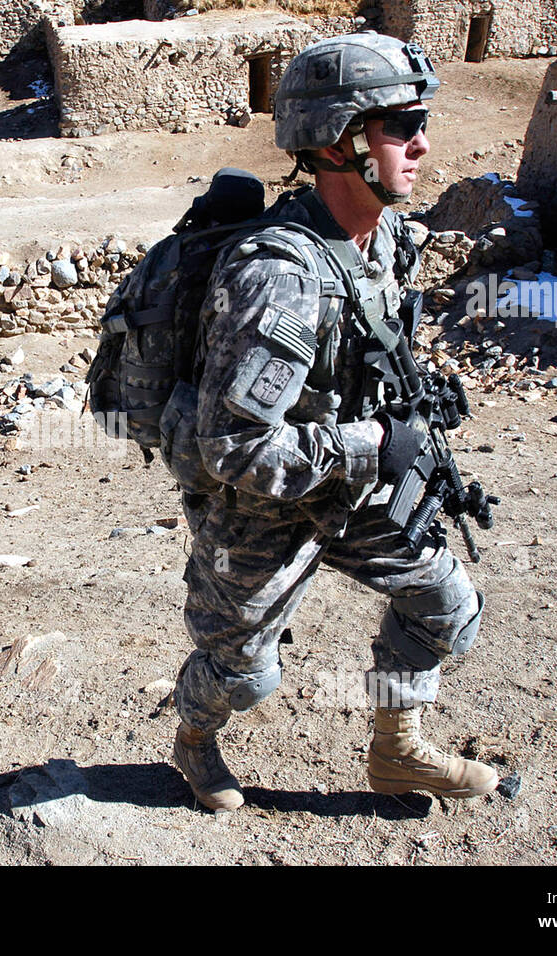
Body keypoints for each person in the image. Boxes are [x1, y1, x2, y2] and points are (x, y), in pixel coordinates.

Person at [163, 32, 498, 811]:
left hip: (350, 486)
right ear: (342, 140)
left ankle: (399, 753)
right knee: (244, 674)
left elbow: (364, 354)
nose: (420, 143)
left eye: (422, 122)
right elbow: (234, 447)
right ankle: (193, 738)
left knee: (443, 602)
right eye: (401, 124)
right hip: (260, 510)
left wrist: (405, 413)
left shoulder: (387, 241)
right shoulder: (278, 276)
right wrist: (372, 442)